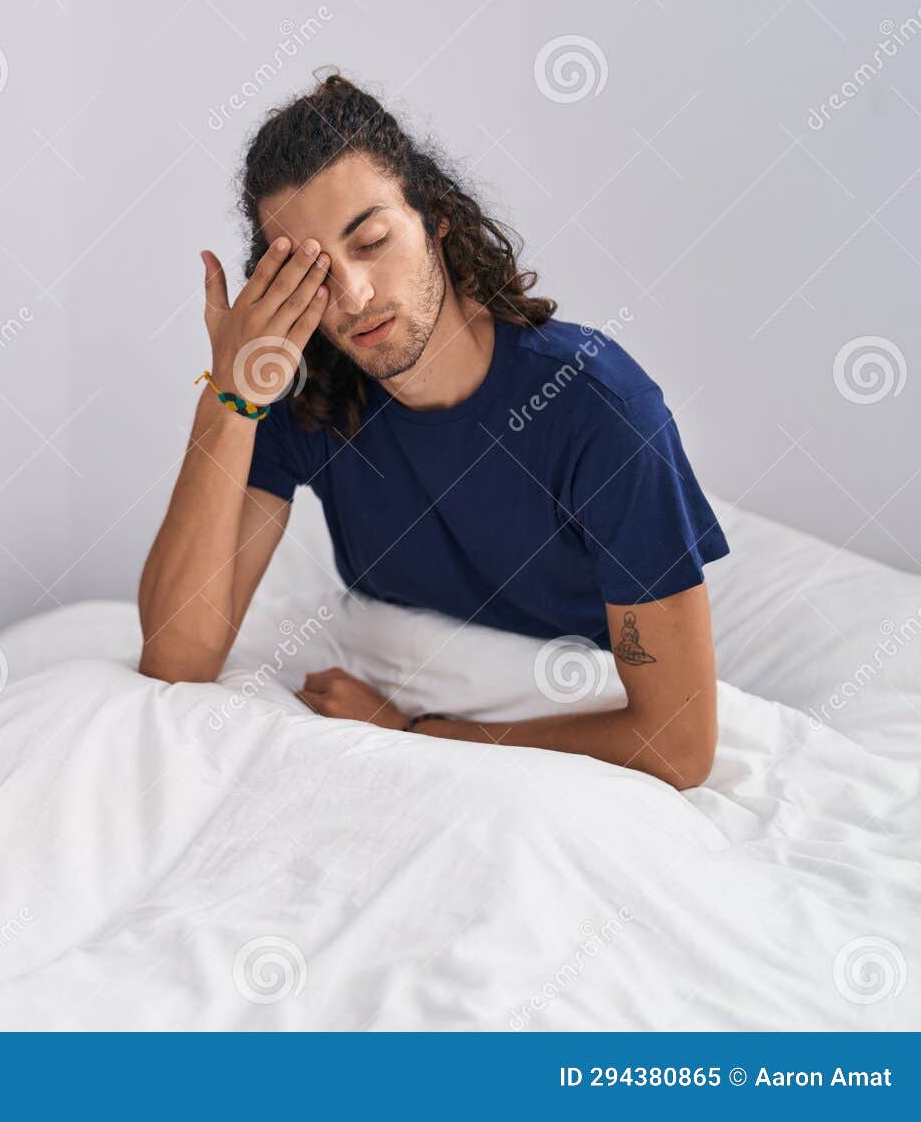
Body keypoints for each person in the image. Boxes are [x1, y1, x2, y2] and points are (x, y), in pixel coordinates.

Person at [137, 73, 730, 790]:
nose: (353, 298)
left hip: (550, 709)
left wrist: (416, 736)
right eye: (313, 274)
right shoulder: (308, 402)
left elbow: (679, 746)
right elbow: (177, 659)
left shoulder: (599, 410)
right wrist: (229, 394)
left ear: (436, 220)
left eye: (372, 241)